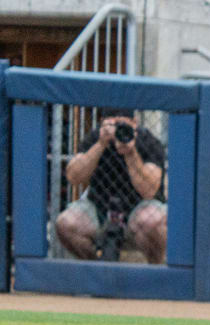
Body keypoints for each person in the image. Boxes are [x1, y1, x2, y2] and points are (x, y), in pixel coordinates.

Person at [54, 109, 167, 264]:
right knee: (66, 223)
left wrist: (130, 152)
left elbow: (149, 191)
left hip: (139, 208)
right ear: (102, 123)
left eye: (123, 124)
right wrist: (101, 144)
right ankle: (97, 270)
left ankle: (155, 269)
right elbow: (73, 177)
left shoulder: (148, 141)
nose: (118, 130)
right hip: (99, 207)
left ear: (135, 123)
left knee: (152, 220)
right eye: (113, 124)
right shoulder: (96, 137)